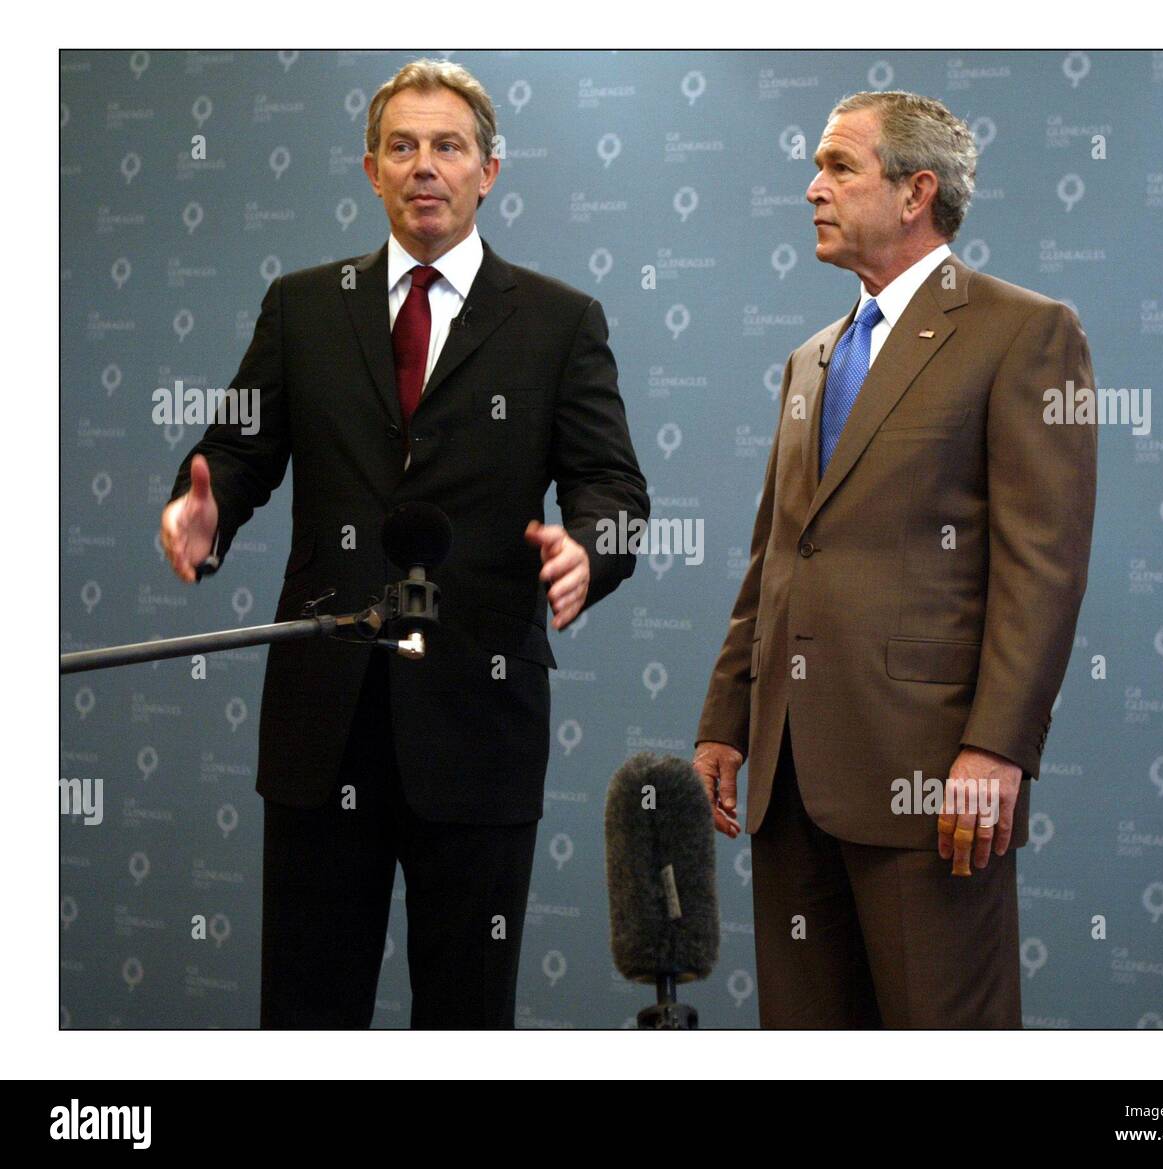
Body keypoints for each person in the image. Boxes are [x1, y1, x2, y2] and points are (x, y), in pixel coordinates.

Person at [160, 59, 649, 1028]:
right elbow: (237, 451)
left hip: (478, 715)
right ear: (371, 170)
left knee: (466, 1017)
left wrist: (591, 548)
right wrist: (201, 511)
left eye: (448, 146)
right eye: (403, 146)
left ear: (488, 171)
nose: (425, 165)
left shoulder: (559, 321)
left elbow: (614, 489)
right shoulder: (303, 305)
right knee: (306, 1014)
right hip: (323, 718)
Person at [693, 90, 1096, 1028]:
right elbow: (777, 556)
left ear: (917, 192)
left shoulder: (1023, 331)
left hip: (933, 781)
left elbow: (1043, 565)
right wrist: (727, 721)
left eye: (839, 166)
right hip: (789, 779)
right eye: (817, 167)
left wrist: (997, 747)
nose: (813, 188)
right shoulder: (812, 358)